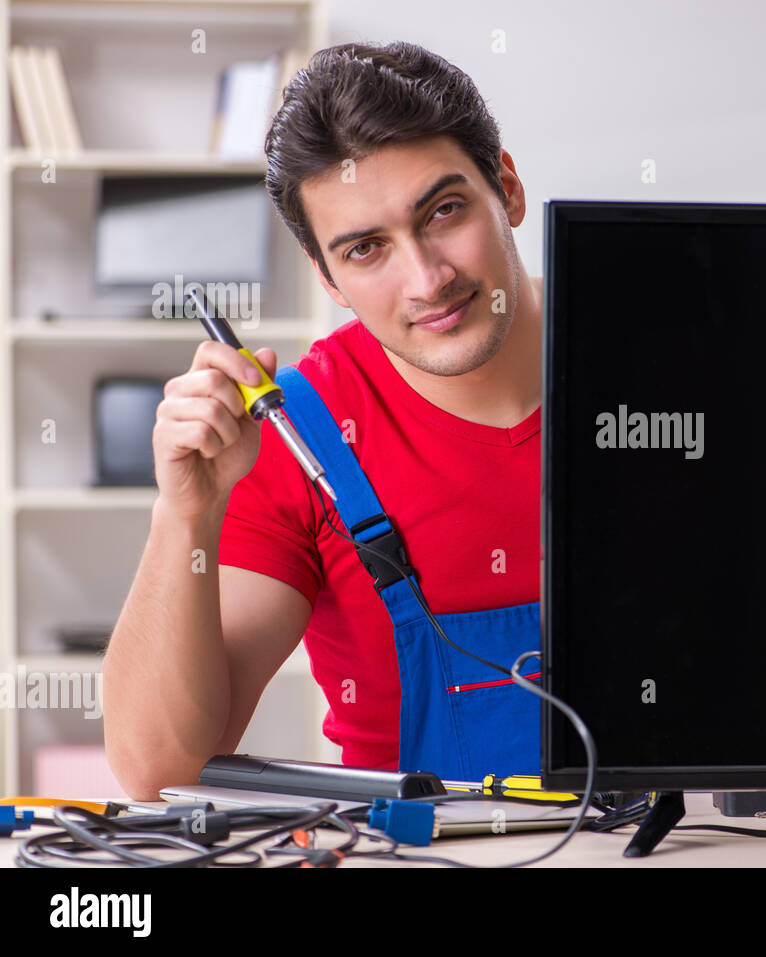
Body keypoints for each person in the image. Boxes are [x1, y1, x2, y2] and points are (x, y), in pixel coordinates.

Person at [103, 41, 545, 800]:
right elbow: (157, 771)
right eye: (367, 249)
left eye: (443, 211)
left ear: (505, 187)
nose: (427, 279)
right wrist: (185, 514)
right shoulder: (296, 433)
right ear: (328, 277)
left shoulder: (663, 358)